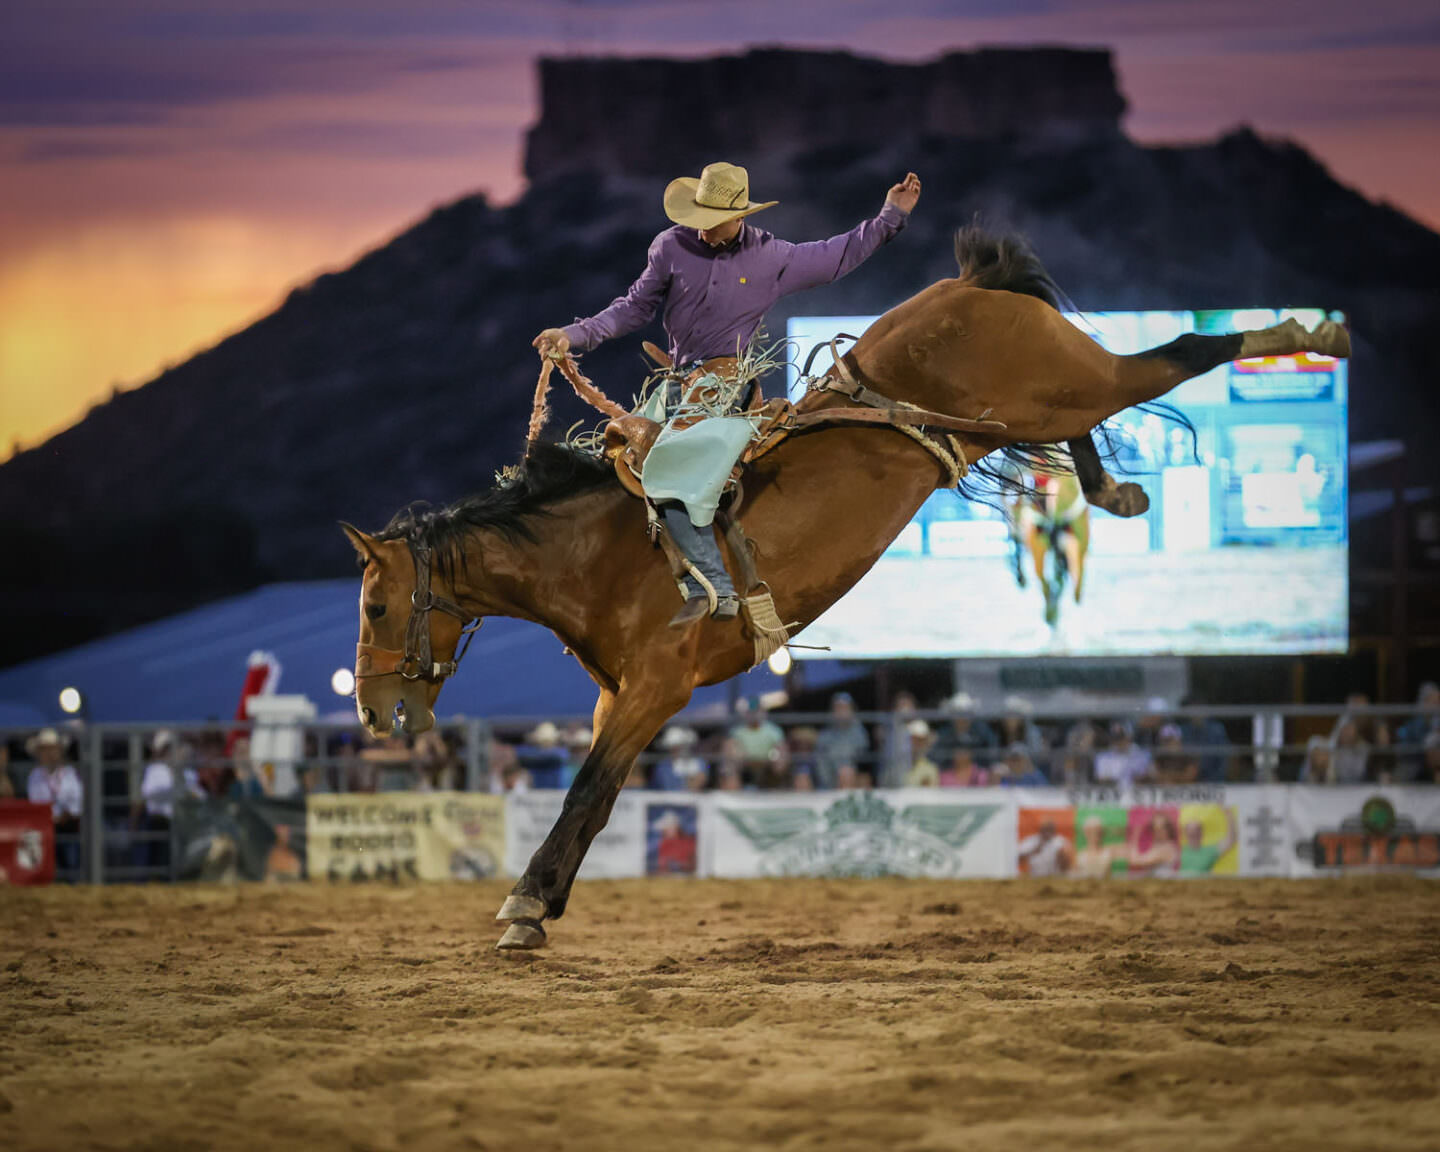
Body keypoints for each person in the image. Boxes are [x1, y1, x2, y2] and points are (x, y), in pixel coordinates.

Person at [533, 161, 922, 628]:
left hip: (727, 386)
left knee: (666, 466)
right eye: (699, 218)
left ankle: (714, 585)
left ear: (740, 215)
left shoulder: (771, 256)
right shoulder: (670, 247)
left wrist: (890, 216)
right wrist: (572, 336)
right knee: (615, 462)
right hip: (678, 386)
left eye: (712, 221)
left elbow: (838, 255)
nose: (701, 230)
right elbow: (632, 309)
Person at [25, 728, 84, 874]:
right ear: (39, 754)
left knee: (71, 866)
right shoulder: (34, 776)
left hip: (68, 826)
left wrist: (67, 814)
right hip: (44, 829)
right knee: (46, 868)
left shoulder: (70, 773)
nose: (49, 754)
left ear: (59, 751)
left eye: (53, 749)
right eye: (45, 750)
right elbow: (34, 801)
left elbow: (78, 799)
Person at [815, 692, 870, 789]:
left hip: (852, 776)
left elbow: (863, 759)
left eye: (845, 708)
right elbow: (820, 764)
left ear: (852, 710)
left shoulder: (859, 732)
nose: (842, 712)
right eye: (838, 708)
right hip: (830, 779)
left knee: (847, 772)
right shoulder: (825, 734)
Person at [1094, 720, 1153, 790]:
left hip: (1138, 793)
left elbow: (1149, 777)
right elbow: (1101, 779)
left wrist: (1142, 778)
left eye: (1121, 737)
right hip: (1112, 794)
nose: (1119, 742)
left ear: (1129, 736)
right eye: (1116, 738)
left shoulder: (1143, 754)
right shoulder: (1103, 757)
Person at [652, 726, 709, 792]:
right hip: (669, 799)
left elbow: (703, 775)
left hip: (693, 799)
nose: (675, 750)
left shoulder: (700, 761)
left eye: (679, 746)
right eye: (673, 747)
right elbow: (663, 786)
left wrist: (694, 782)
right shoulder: (663, 766)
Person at [902, 719, 941, 788]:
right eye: (913, 739)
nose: (916, 744)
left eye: (920, 740)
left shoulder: (931, 768)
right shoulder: (895, 765)